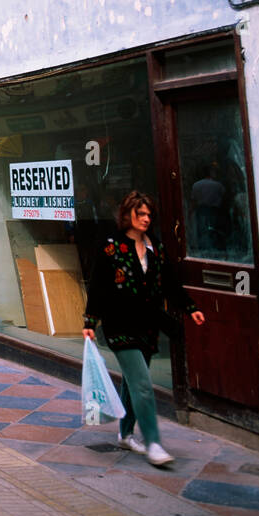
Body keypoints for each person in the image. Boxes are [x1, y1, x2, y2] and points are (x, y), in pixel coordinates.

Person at [83, 191, 204, 467]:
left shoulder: (156, 248)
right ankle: (153, 444)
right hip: (119, 326)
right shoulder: (111, 247)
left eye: (149, 214)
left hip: (148, 327)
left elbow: (171, 284)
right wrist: (90, 322)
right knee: (142, 385)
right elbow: (98, 286)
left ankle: (125, 434)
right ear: (128, 216)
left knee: (131, 382)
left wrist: (190, 308)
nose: (146, 219)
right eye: (141, 214)